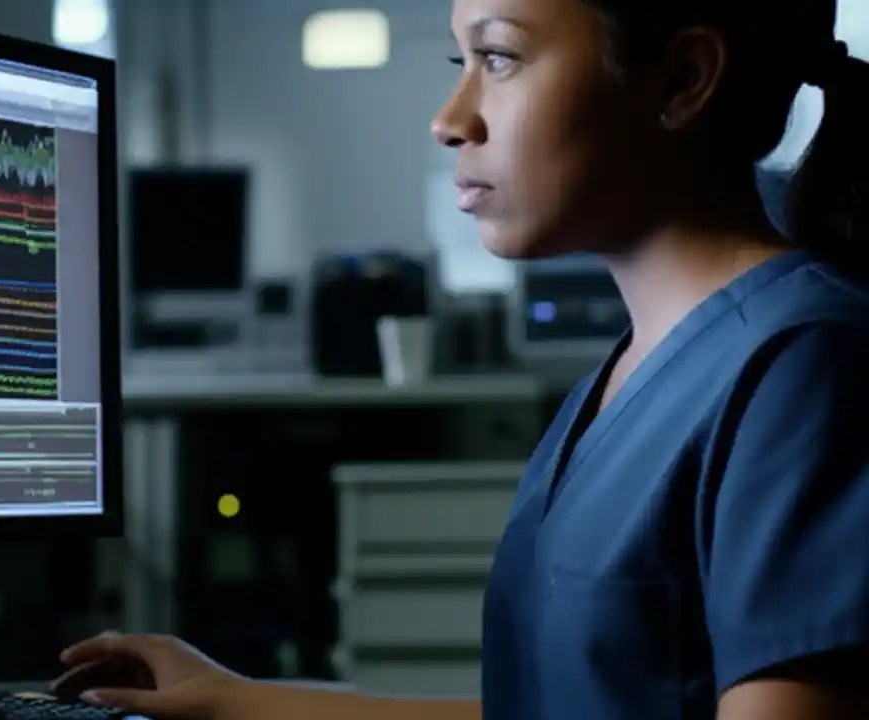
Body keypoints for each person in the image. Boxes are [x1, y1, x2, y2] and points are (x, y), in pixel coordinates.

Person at [55, 0, 869, 717]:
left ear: (684, 78)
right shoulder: (629, 376)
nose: (451, 117)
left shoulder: (802, 367)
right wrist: (239, 700)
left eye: (500, 58)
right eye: (462, 60)